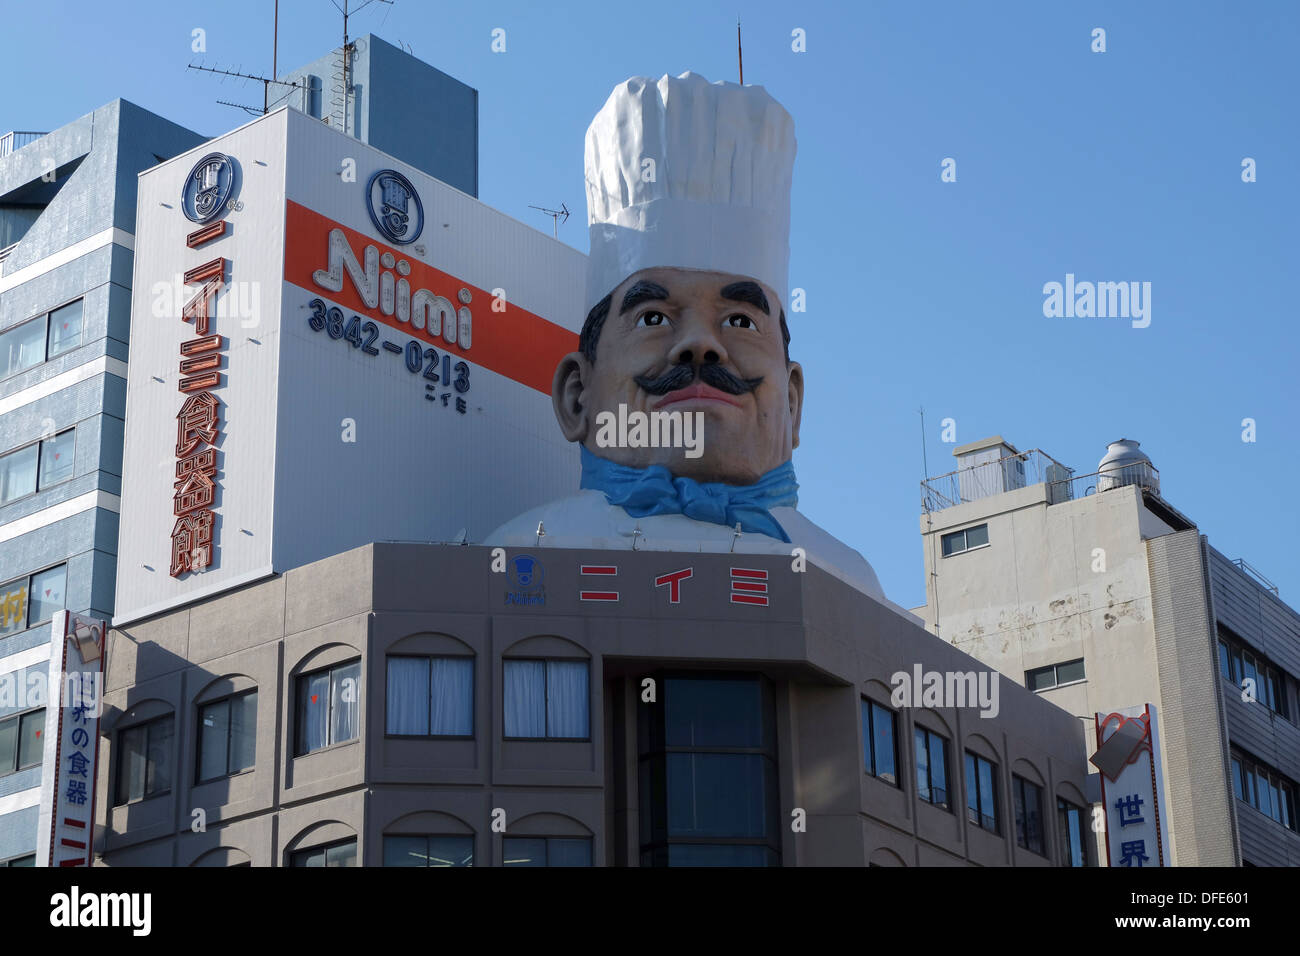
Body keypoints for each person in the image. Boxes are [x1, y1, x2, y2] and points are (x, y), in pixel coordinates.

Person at [489, 72, 903, 613]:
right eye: (654, 316)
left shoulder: (849, 586)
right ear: (576, 395)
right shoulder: (516, 562)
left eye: (739, 321)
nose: (701, 345)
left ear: (794, 401)